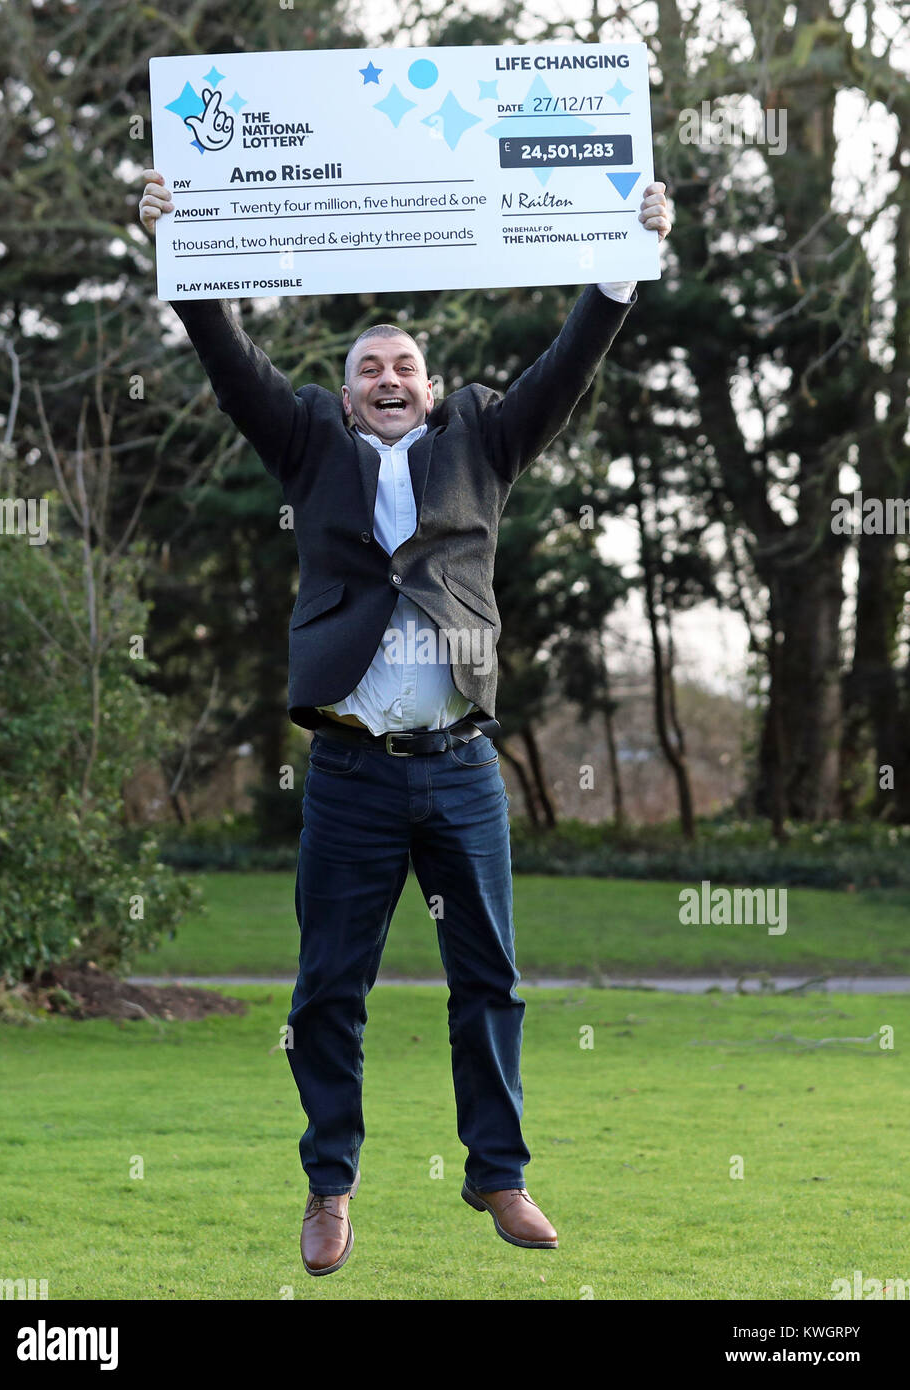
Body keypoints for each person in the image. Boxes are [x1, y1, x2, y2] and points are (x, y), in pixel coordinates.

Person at [138, 168, 671, 1276]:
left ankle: (499, 1173)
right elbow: (230, 361)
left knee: (491, 978)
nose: (388, 379)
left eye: (405, 367)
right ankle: (330, 1185)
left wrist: (623, 252)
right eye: (369, 368)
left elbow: (566, 364)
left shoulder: (482, 438)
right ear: (346, 397)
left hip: (462, 767)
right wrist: (180, 246)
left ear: (431, 391)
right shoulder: (309, 448)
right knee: (329, 986)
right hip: (348, 773)